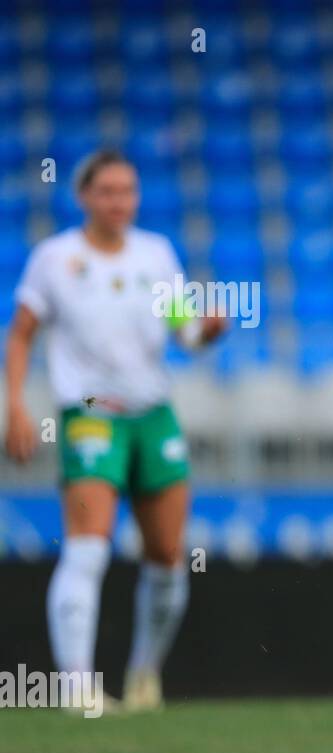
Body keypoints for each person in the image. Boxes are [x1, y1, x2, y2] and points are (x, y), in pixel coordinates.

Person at [4, 149, 226, 712]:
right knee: (87, 550)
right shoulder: (55, 258)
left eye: (127, 190)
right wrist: (15, 406)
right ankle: (78, 688)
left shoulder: (156, 254)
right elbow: (22, 333)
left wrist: (209, 331)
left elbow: (186, 336)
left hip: (153, 415)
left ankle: (144, 676)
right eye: (107, 191)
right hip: (90, 415)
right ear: (84, 197)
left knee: (168, 556)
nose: (119, 201)